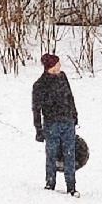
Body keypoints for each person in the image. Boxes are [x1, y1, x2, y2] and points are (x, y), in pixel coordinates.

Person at [31, 50, 80, 195]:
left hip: (68, 122)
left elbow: (70, 96)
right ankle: (50, 184)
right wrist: (38, 129)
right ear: (50, 67)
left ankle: (71, 186)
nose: (60, 66)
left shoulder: (63, 77)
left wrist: (74, 115)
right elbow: (36, 109)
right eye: (57, 64)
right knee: (51, 155)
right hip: (51, 124)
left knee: (70, 154)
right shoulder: (39, 85)